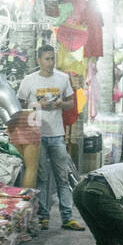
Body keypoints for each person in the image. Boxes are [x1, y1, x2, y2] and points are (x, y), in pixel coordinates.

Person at [17, 45, 84, 231]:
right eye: (47, 59)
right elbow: (19, 105)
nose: (50, 63)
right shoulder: (29, 80)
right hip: (36, 135)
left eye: (52, 59)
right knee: (42, 176)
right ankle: (43, 215)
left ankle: (67, 216)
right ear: (38, 60)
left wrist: (61, 103)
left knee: (62, 176)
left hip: (57, 134)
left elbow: (71, 103)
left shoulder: (63, 78)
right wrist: (37, 105)